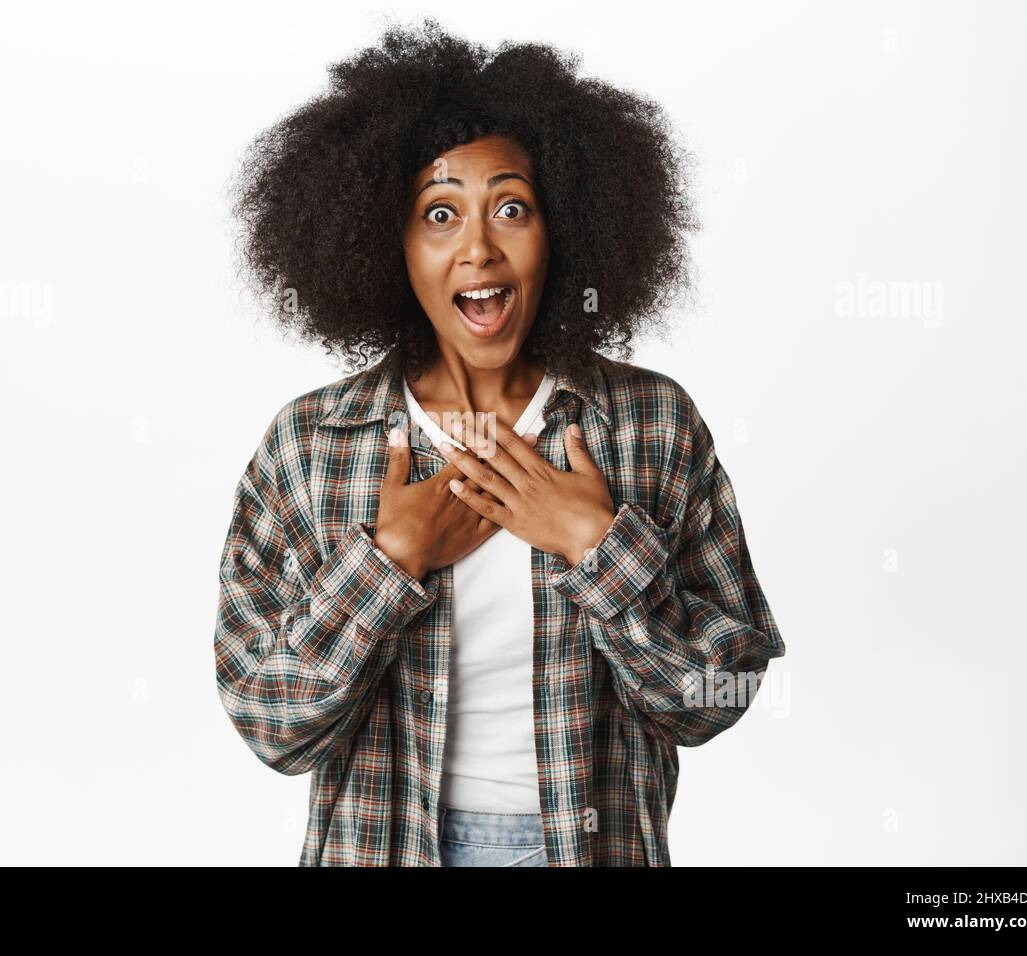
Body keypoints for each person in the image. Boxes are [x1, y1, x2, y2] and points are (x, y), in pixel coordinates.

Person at [215, 19, 785, 866]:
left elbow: (711, 698)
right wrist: (390, 559)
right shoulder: (310, 445)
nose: (479, 247)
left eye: (510, 208)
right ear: (387, 244)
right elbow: (270, 724)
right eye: (438, 214)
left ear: (564, 228)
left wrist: (598, 545)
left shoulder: (650, 425)